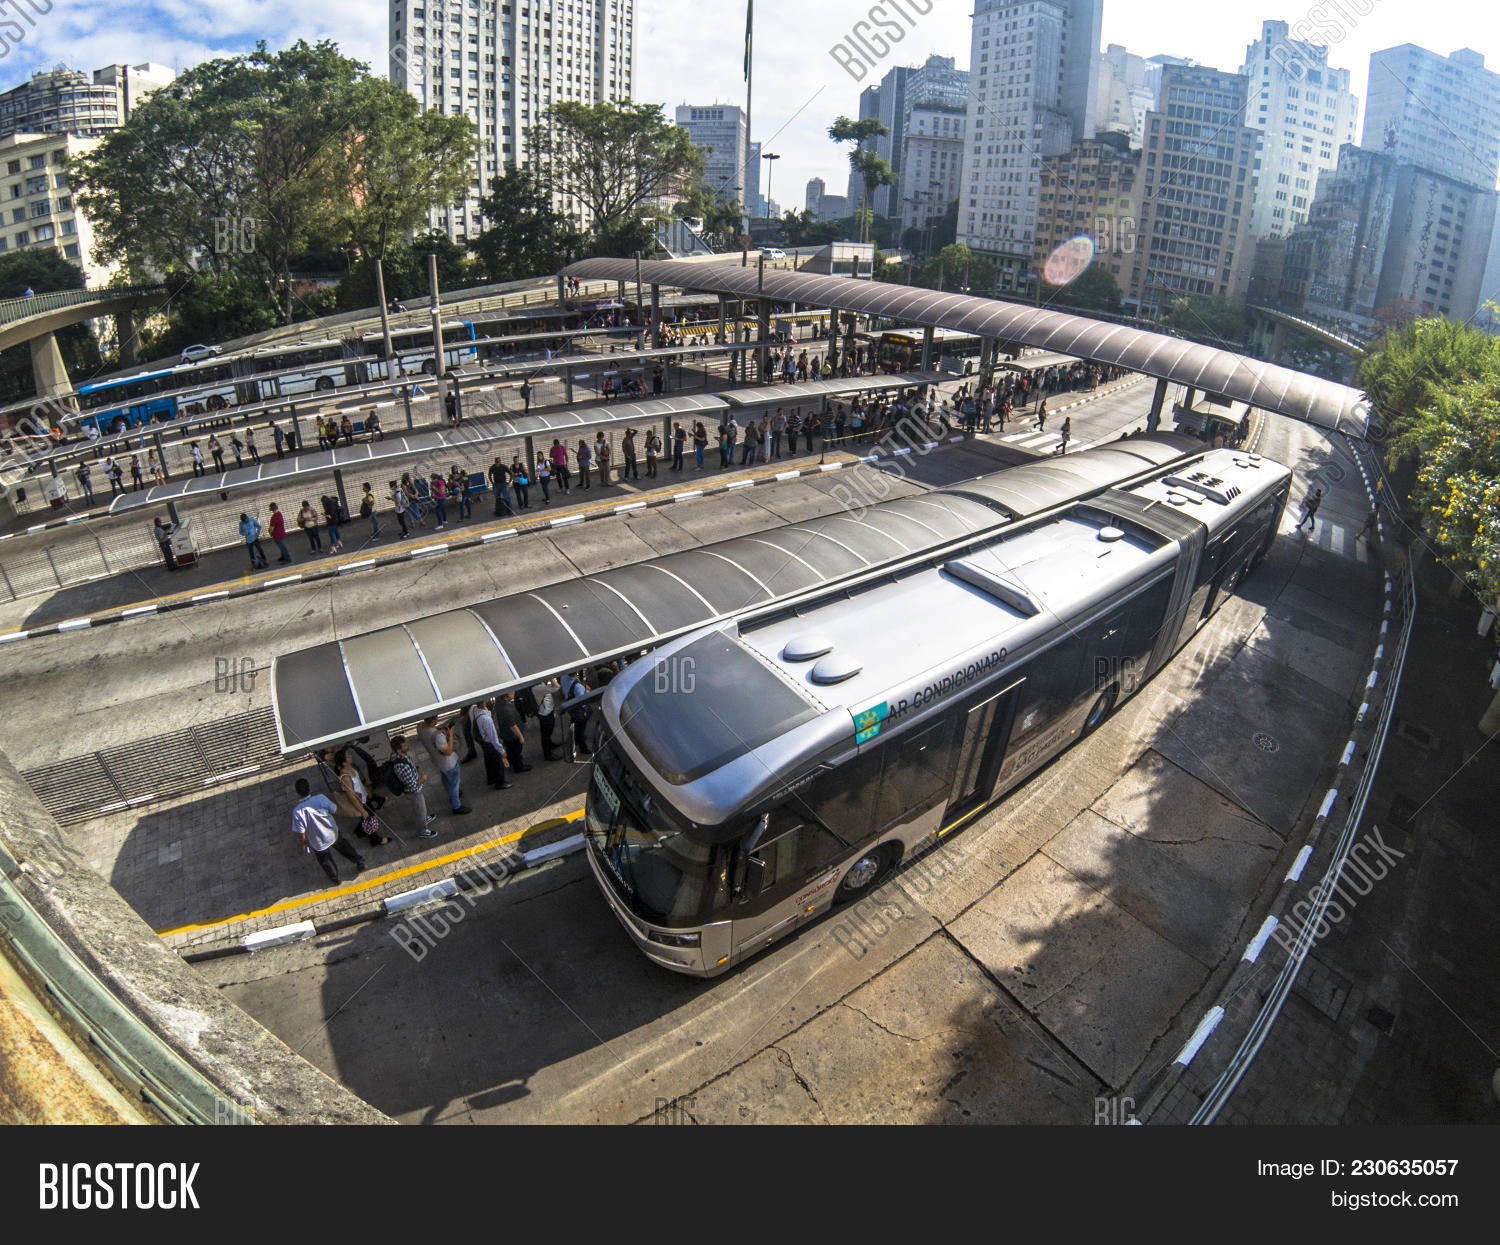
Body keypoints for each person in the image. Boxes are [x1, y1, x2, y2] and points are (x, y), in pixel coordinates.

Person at [290, 778, 365, 885]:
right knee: (344, 846)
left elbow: (300, 832)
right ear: (309, 788)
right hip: (331, 832)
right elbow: (335, 810)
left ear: (297, 793)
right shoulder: (320, 798)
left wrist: (303, 844)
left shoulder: (297, 811)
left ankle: (335, 879)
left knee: (325, 860)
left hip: (318, 842)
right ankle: (359, 861)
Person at [332, 748, 389, 846]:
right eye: (348, 756)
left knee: (369, 816)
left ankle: (360, 831)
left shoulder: (351, 768)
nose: (350, 756)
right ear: (344, 762)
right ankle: (375, 840)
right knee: (369, 820)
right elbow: (351, 796)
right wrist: (362, 811)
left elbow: (358, 782)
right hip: (360, 802)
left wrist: (367, 791)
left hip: (364, 798)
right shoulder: (345, 777)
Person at [418, 715, 471, 816]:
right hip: (448, 763)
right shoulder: (438, 736)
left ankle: (452, 795)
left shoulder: (420, 727)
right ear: (433, 721)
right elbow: (448, 751)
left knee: (445, 779)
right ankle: (456, 806)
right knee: (454, 784)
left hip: (437, 761)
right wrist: (450, 735)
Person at [388, 736, 437, 837]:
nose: (407, 745)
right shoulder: (402, 766)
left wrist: (417, 769)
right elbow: (413, 786)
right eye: (405, 745)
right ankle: (422, 831)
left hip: (414, 789)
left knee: (420, 809)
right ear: (399, 750)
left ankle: (424, 819)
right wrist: (423, 778)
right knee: (420, 811)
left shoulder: (397, 755)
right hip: (414, 793)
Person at [469, 699, 512, 789]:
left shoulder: (473, 709)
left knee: (489, 761)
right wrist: (502, 751)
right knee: (498, 763)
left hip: (483, 742)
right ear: (484, 701)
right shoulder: (486, 719)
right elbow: (493, 738)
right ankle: (500, 783)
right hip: (490, 743)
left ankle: (491, 778)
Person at [492, 692, 532, 773]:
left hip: (506, 734)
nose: (513, 692)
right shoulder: (505, 709)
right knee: (516, 750)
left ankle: (511, 761)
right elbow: (513, 726)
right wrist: (520, 737)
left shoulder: (499, 703)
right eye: (511, 693)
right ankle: (519, 767)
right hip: (512, 736)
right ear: (505, 697)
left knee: (510, 750)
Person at [532, 677, 561, 760]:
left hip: (545, 711)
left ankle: (550, 745)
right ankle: (548, 754)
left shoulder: (538, 685)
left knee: (547, 733)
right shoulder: (539, 687)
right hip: (545, 714)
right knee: (546, 734)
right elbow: (557, 687)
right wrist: (550, 678)